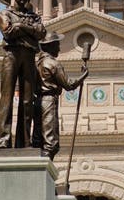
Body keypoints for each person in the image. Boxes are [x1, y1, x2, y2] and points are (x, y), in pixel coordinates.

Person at [0, 0, 46, 148]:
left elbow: (41, 33)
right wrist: (29, 29)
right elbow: (8, 32)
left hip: (29, 57)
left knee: (27, 100)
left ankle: (24, 141)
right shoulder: (5, 13)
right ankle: (3, 139)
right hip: (12, 55)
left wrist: (20, 26)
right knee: (7, 97)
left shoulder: (34, 16)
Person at [35, 32, 88, 160]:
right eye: (57, 45)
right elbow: (69, 85)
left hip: (37, 102)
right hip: (49, 101)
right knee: (51, 142)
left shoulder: (37, 63)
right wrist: (84, 75)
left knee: (38, 139)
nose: (59, 48)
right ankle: (46, 171)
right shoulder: (52, 63)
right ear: (50, 46)